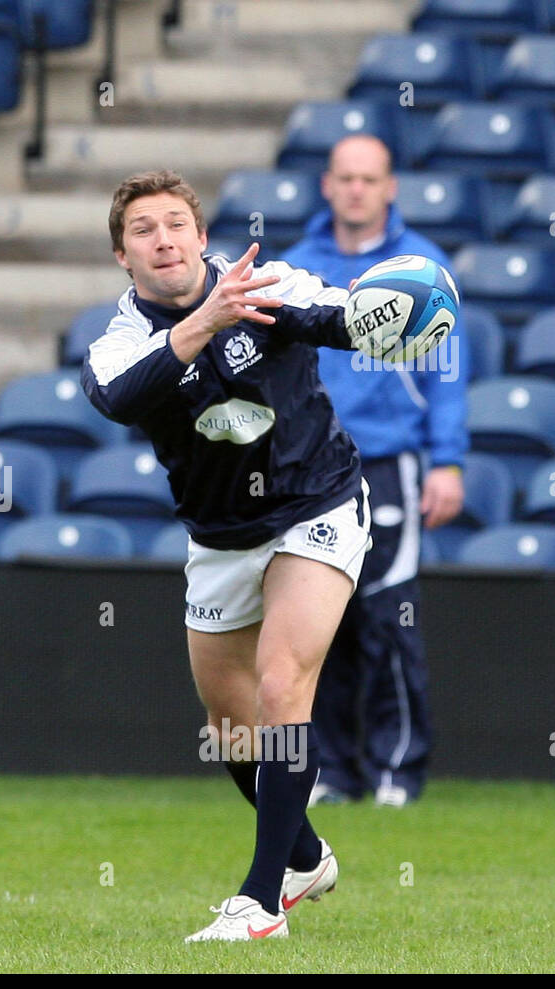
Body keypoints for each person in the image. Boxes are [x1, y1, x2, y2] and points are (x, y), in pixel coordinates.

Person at [82, 170, 370, 941]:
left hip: (317, 504)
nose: (164, 238)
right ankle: (304, 856)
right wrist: (204, 323)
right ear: (122, 257)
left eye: (177, 223)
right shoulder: (119, 338)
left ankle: (260, 903)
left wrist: (391, 315)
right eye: (144, 229)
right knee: (229, 729)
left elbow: (343, 315)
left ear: (202, 237)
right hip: (218, 539)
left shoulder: (264, 282)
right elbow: (115, 396)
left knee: (282, 685)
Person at [284, 134, 469, 807]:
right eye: (346, 177)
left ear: (390, 187)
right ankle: (330, 771)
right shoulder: (298, 267)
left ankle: (396, 770)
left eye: (370, 178)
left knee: (391, 619)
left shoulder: (423, 268)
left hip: (391, 464)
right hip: (310, 470)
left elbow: (448, 373)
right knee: (315, 626)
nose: (357, 189)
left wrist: (447, 461)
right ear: (327, 186)